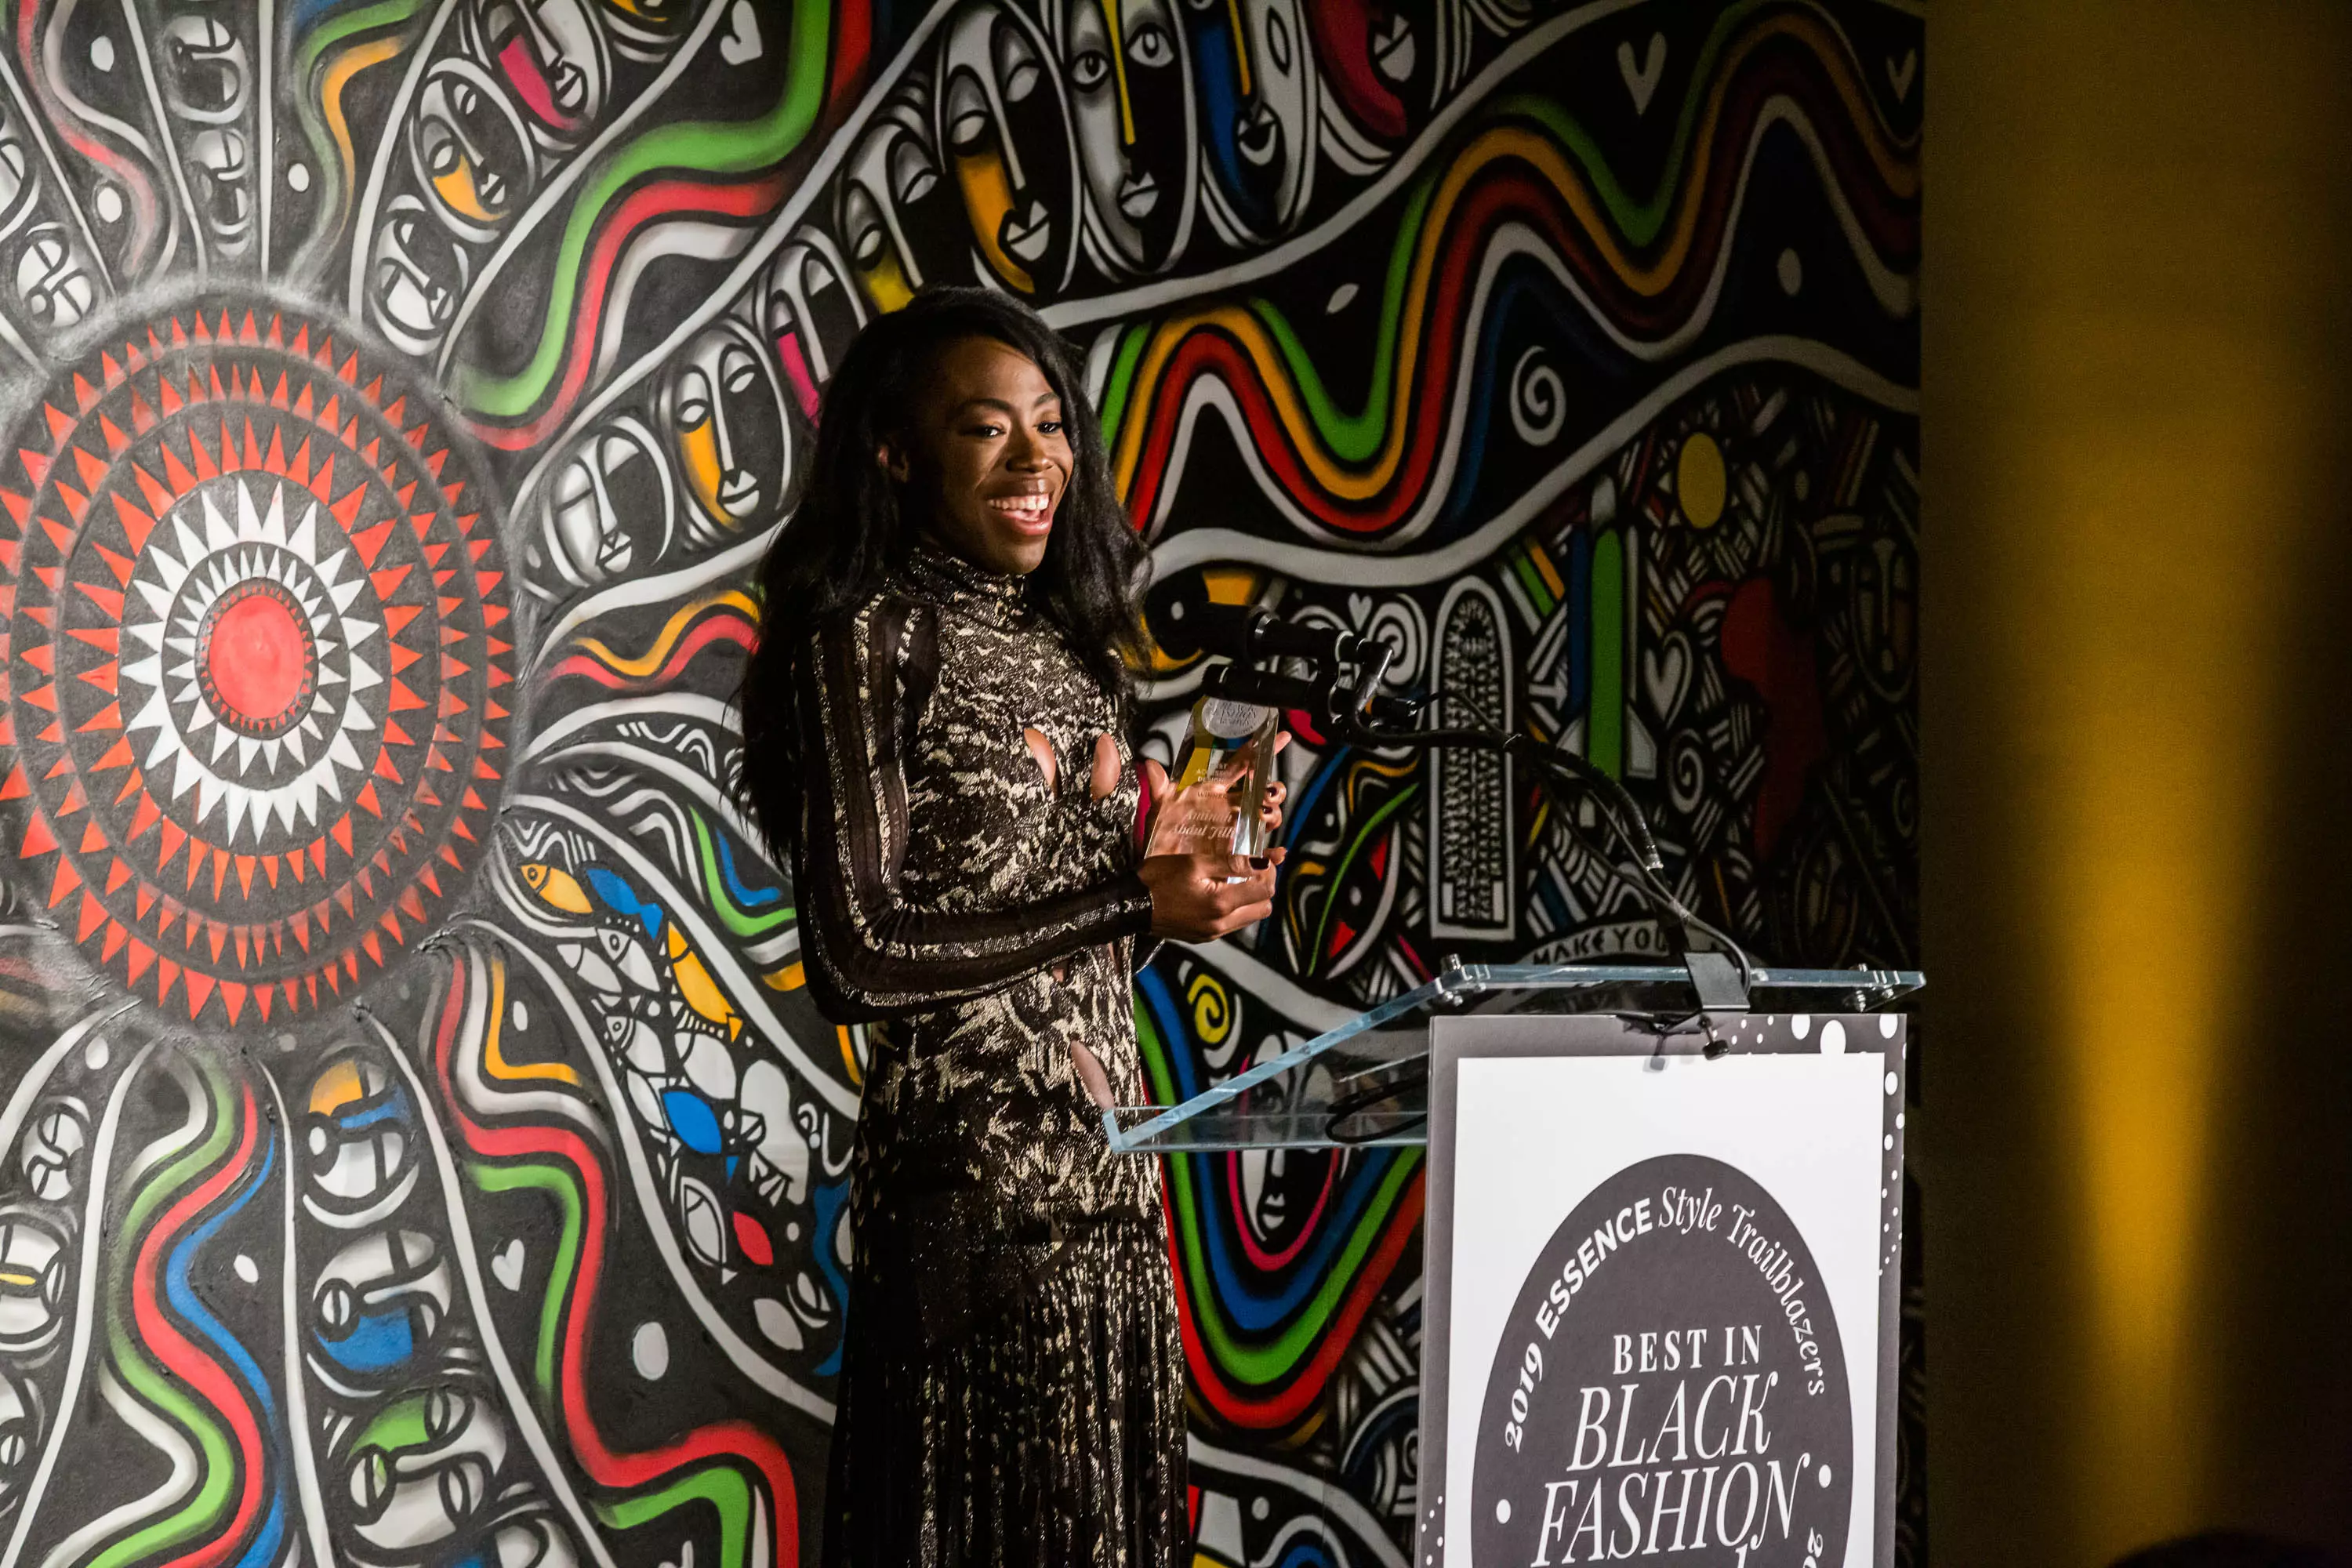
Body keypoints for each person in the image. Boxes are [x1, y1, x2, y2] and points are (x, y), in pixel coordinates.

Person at [737, 287, 1286, 1566]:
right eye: (990, 431)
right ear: (898, 450)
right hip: (969, 1220)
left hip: (1112, 1194)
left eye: (1051, 427)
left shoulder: (1079, 654)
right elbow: (859, 956)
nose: (1040, 462)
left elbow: (1063, 948)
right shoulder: (866, 638)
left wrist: (1172, 886)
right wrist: (1122, 899)